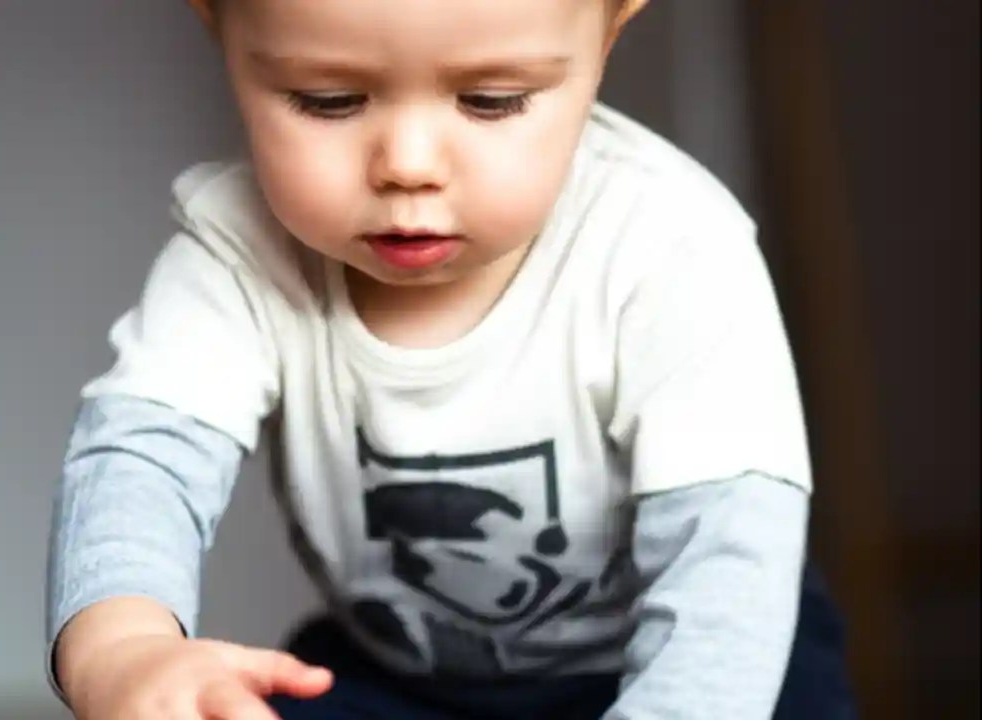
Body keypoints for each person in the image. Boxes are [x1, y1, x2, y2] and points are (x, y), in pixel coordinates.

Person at [45, 1, 856, 718]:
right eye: (327, 101)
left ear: (611, 26)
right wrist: (122, 646)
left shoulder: (673, 247)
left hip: (703, 656)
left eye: (490, 101)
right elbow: (144, 460)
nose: (408, 164)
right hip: (404, 677)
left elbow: (727, 557)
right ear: (216, 19)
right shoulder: (238, 250)